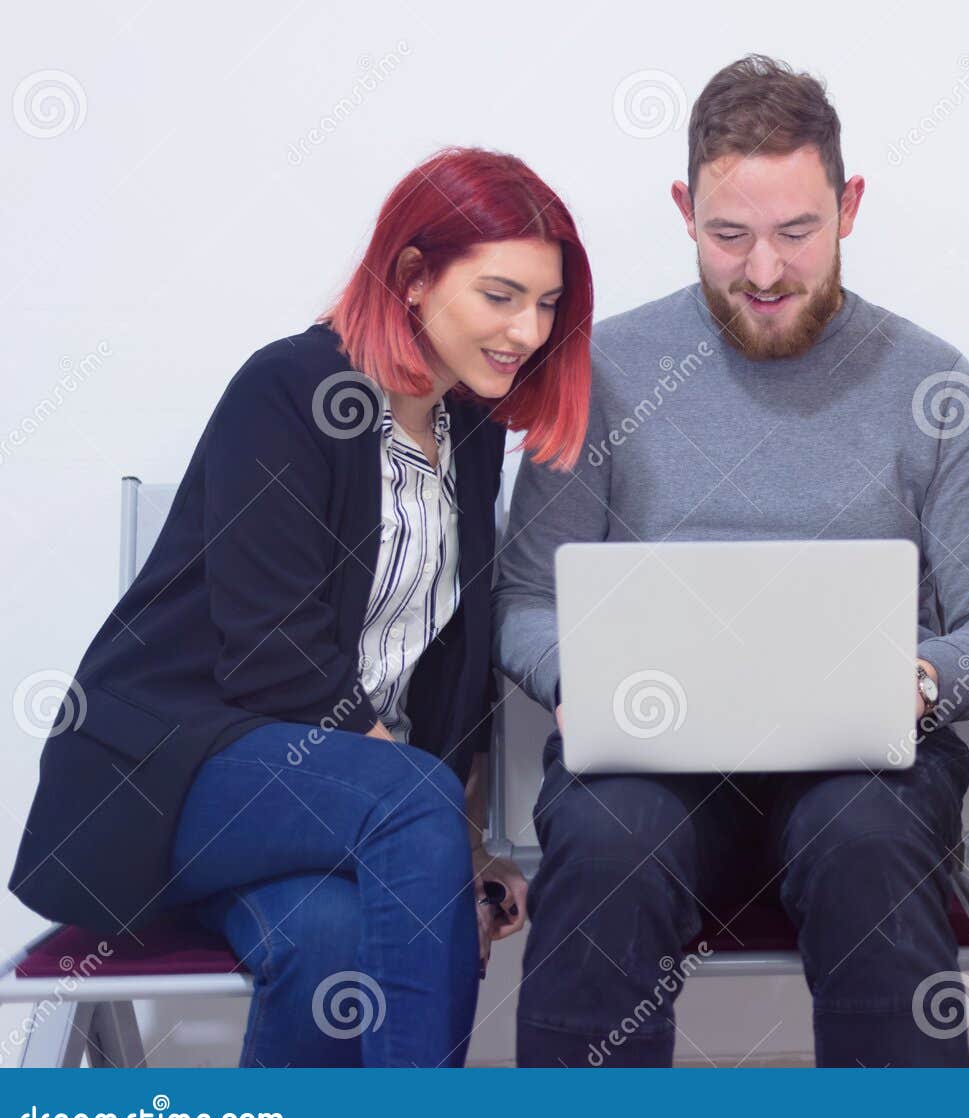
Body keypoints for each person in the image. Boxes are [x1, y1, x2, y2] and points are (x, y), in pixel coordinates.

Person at [494, 55, 969, 1067]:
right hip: (650, 768)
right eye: (729, 236)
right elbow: (526, 597)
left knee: (867, 840)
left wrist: (918, 679)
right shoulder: (601, 372)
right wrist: (580, 675)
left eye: (797, 233)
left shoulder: (932, 384)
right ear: (683, 209)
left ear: (848, 206)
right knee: (610, 842)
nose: (762, 272)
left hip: (860, 772)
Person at [9, 147, 594, 1067]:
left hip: (335, 804)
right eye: (501, 295)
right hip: (171, 778)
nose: (527, 329)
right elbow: (273, 657)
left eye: (547, 303)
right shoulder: (291, 388)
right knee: (412, 809)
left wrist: (461, 849)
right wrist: (435, 835)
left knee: (328, 945)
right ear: (411, 275)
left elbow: (448, 669)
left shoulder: (469, 429)